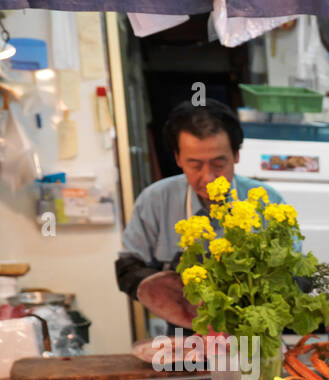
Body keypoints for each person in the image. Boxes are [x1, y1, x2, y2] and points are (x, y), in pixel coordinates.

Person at [116, 101, 284, 328]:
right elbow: (127, 269)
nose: (208, 178)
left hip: (252, 331)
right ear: (177, 158)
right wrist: (171, 293)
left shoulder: (267, 200)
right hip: (185, 332)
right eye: (195, 165)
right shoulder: (155, 201)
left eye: (218, 164)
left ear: (235, 155)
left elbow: (293, 275)